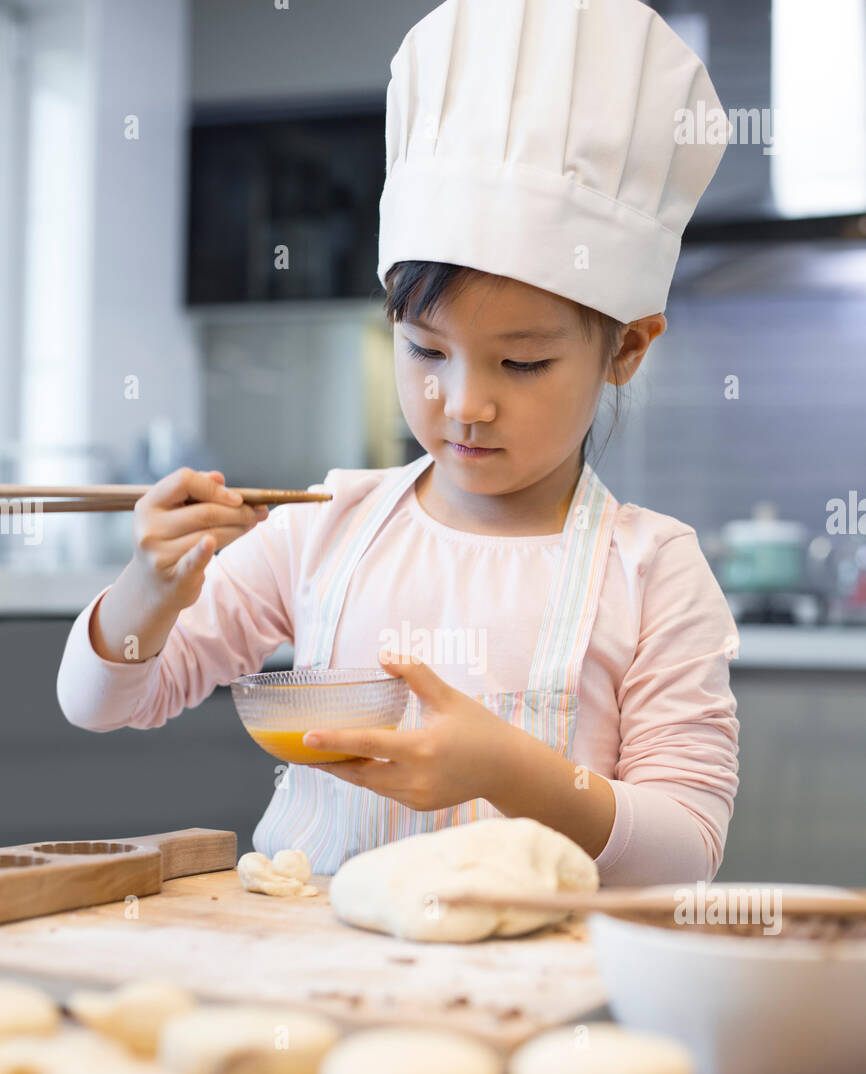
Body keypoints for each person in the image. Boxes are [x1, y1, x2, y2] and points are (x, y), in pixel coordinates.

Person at [57, 0, 739, 885]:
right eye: (424, 350)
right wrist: (146, 589)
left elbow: (685, 853)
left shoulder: (654, 572)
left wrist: (508, 766)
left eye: (522, 363)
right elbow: (105, 702)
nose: (464, 406)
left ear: (628, 349)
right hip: (308, 980)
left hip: (533, 996)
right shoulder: (324, 526)